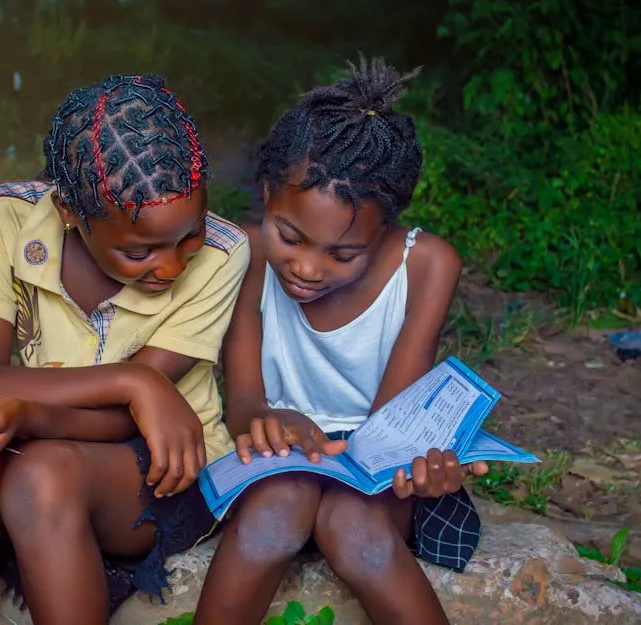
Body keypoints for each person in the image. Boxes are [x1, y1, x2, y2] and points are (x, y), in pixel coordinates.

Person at [0, 73, 249, 625]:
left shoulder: (223, 253)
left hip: (165, 470)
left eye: (188, 236)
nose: (172, 265)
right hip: (46, 436)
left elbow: (124, 423)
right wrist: (135, 381)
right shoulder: (7, 218)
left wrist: (27, 413)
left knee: (42, 476)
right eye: (141, 251)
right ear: (70, 212)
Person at [192, 57, 489, 625]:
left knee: (354, 529)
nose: (306, 268)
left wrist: (426, 467)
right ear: (267, 195)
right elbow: (244, 404)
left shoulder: (424, 266)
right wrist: (272, 420)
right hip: (279, 462)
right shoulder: (246, 256)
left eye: (342, 254)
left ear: (385, 232)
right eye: (290, 235)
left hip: (372, 472)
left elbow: (392, 431)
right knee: (276, 513)